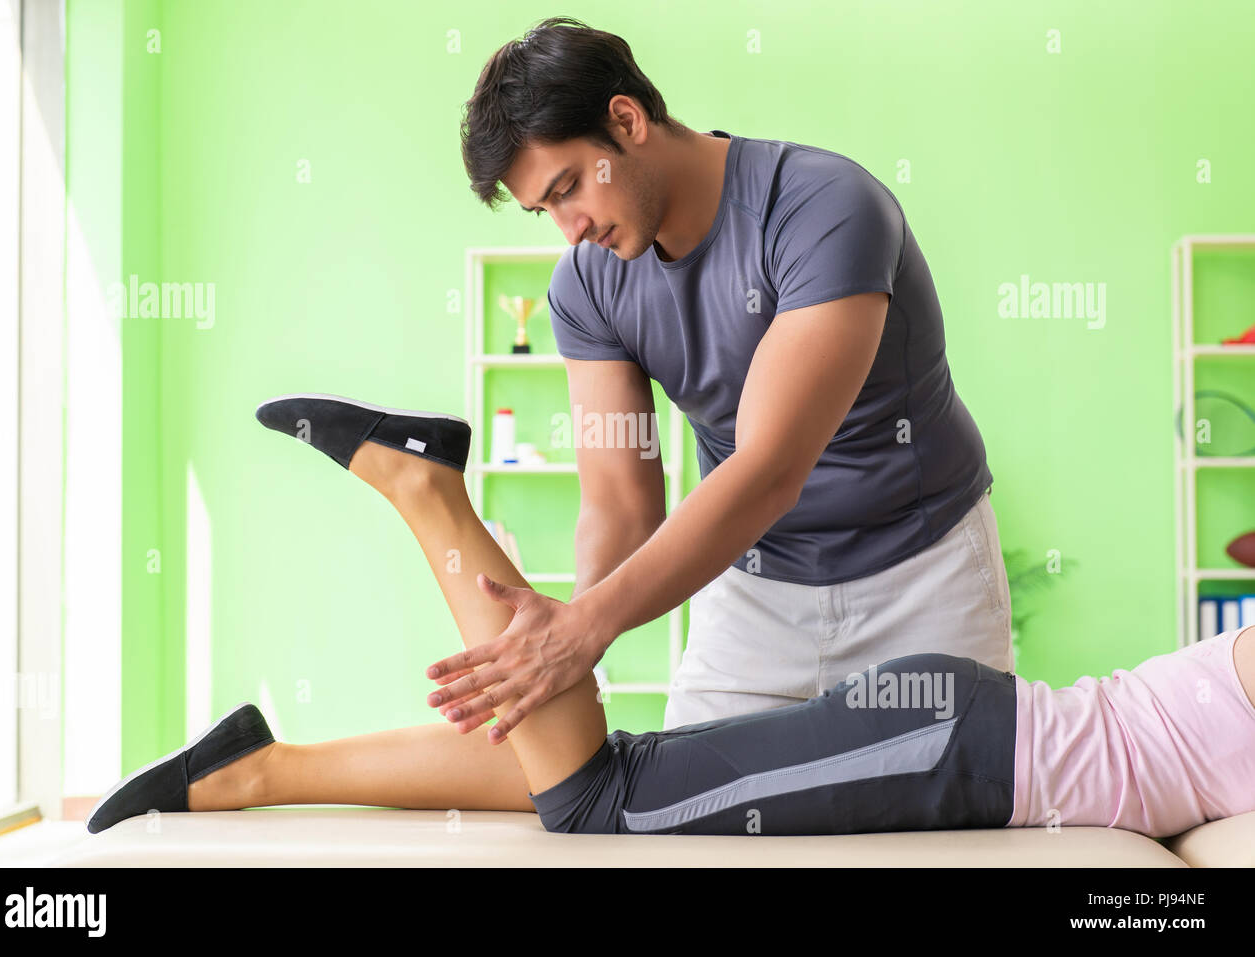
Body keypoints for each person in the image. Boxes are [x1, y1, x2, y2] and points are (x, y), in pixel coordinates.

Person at [86, 398, 1255, 839]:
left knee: (612, 770)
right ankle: (423, 488)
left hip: (964, 735)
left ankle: (260, 769)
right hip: (965, 750)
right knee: (602, 805)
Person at [439, 15, 1011, 744]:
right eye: (544, 209)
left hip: (925, 578)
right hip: (752, 595)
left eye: (570, 186)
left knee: (936, 839)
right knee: (698, 825)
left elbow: (770, 469)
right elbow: (619, 506)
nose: (570, 228)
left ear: (626, 118)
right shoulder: (587, 286)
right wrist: (572, 642)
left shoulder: (825, 209)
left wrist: (584, 626)